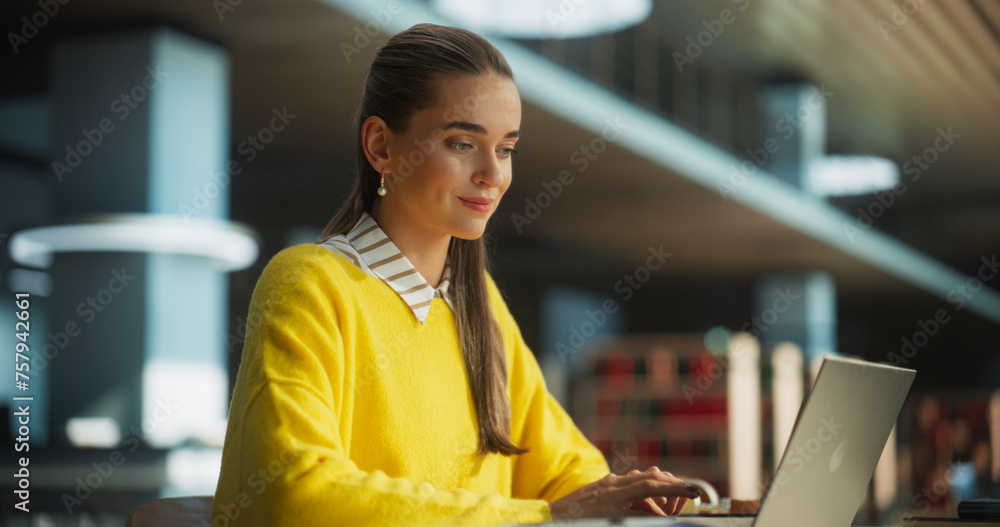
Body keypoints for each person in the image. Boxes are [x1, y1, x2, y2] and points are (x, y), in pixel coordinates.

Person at [211, 23, 701, 527]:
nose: (493, 173)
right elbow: (295, 494)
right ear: (380, 146)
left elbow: (566, 471)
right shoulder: (309, 282)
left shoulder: (477, 301)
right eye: (463, 143)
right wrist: (541, 516)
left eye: (506, 148)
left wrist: (622, 499)